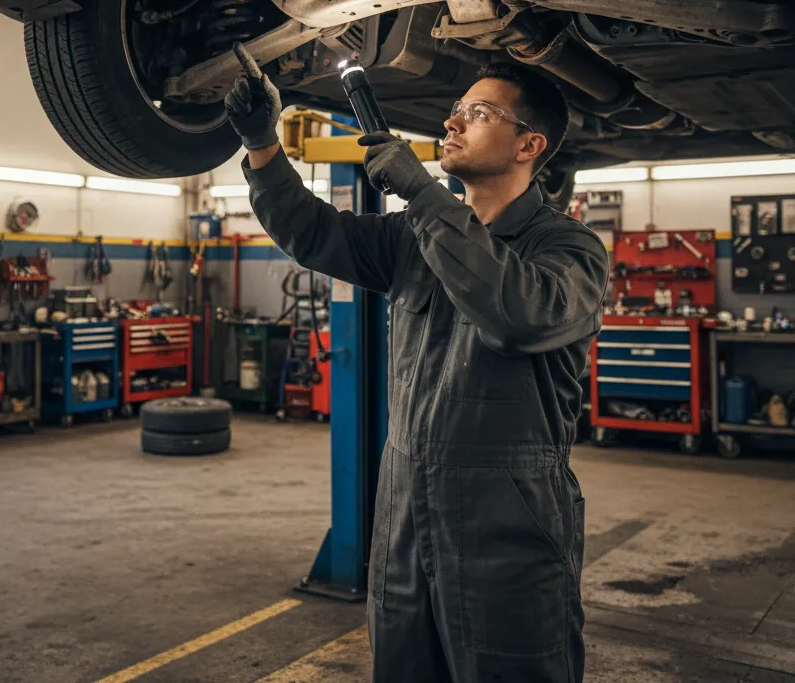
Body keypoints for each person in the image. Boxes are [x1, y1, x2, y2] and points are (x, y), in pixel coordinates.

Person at [224, 51, 609, 683]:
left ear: (528, 145)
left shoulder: (567, 249)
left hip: (507, 514)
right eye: (455, 111)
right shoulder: (414, 236)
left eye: (478, 113)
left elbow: (516, 313)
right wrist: (264, 145)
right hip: (404, 503)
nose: (453, 124)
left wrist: (425, 194)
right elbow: (316, 233)